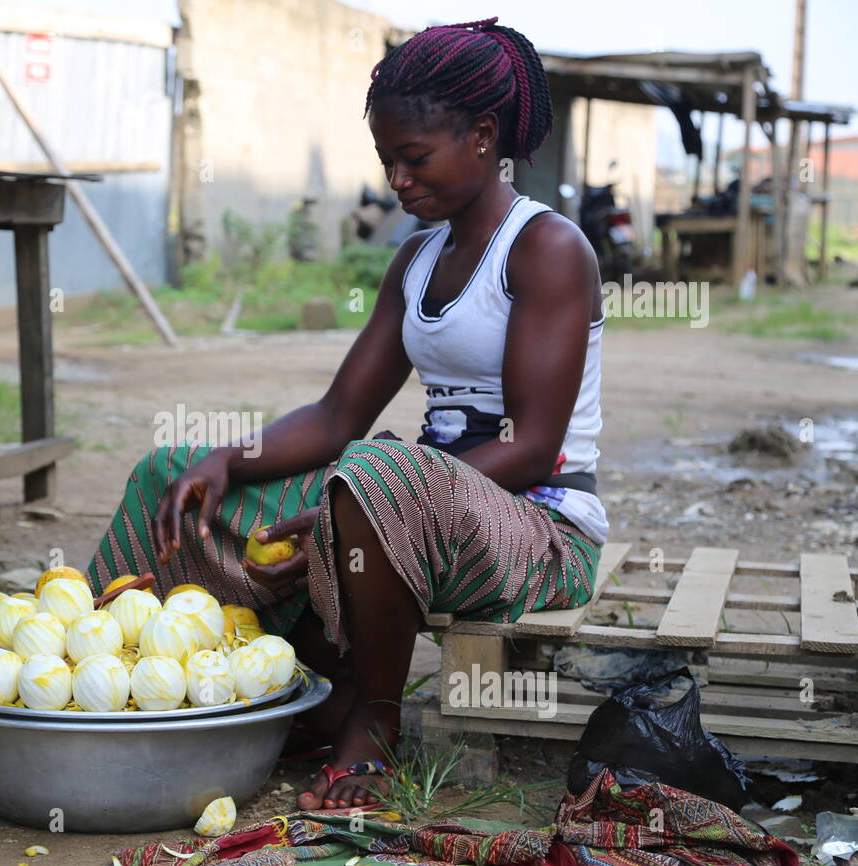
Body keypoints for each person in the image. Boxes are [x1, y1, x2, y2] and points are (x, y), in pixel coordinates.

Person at [86, 17, 608, 812]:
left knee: (371, 478)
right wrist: (226, 458)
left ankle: (372, 721)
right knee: (177, 473)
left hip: (537, 530)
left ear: (482, 136)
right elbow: (337, 416)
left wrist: (356, 504)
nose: (396, 180)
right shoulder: (418, 258)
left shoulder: (547, 249)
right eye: (386, 160)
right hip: (410, 504)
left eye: (413, 158)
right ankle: (126, 674)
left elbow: (534, 448)